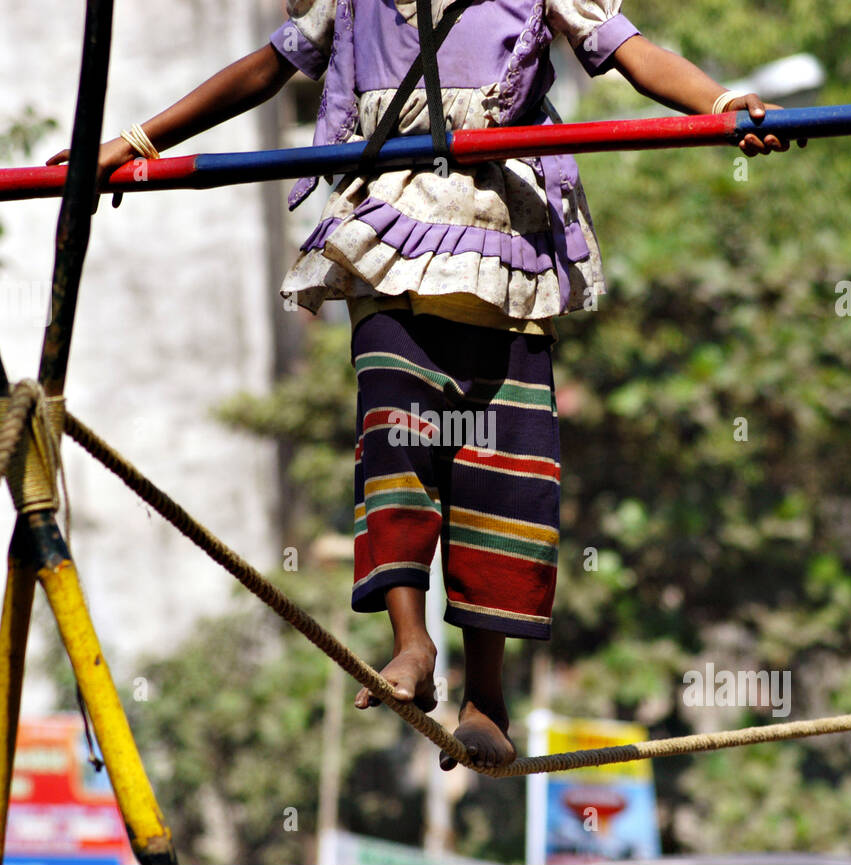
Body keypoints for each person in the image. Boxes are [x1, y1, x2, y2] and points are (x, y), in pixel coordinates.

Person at [48, 0, 798, 771]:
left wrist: (718, 103)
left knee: (504, 480)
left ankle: (488, 696)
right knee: (394, 447)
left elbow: (632, 52)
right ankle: (411, 643)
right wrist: (134, 144)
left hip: (506, 255)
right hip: (392, 249)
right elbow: (266, 68)